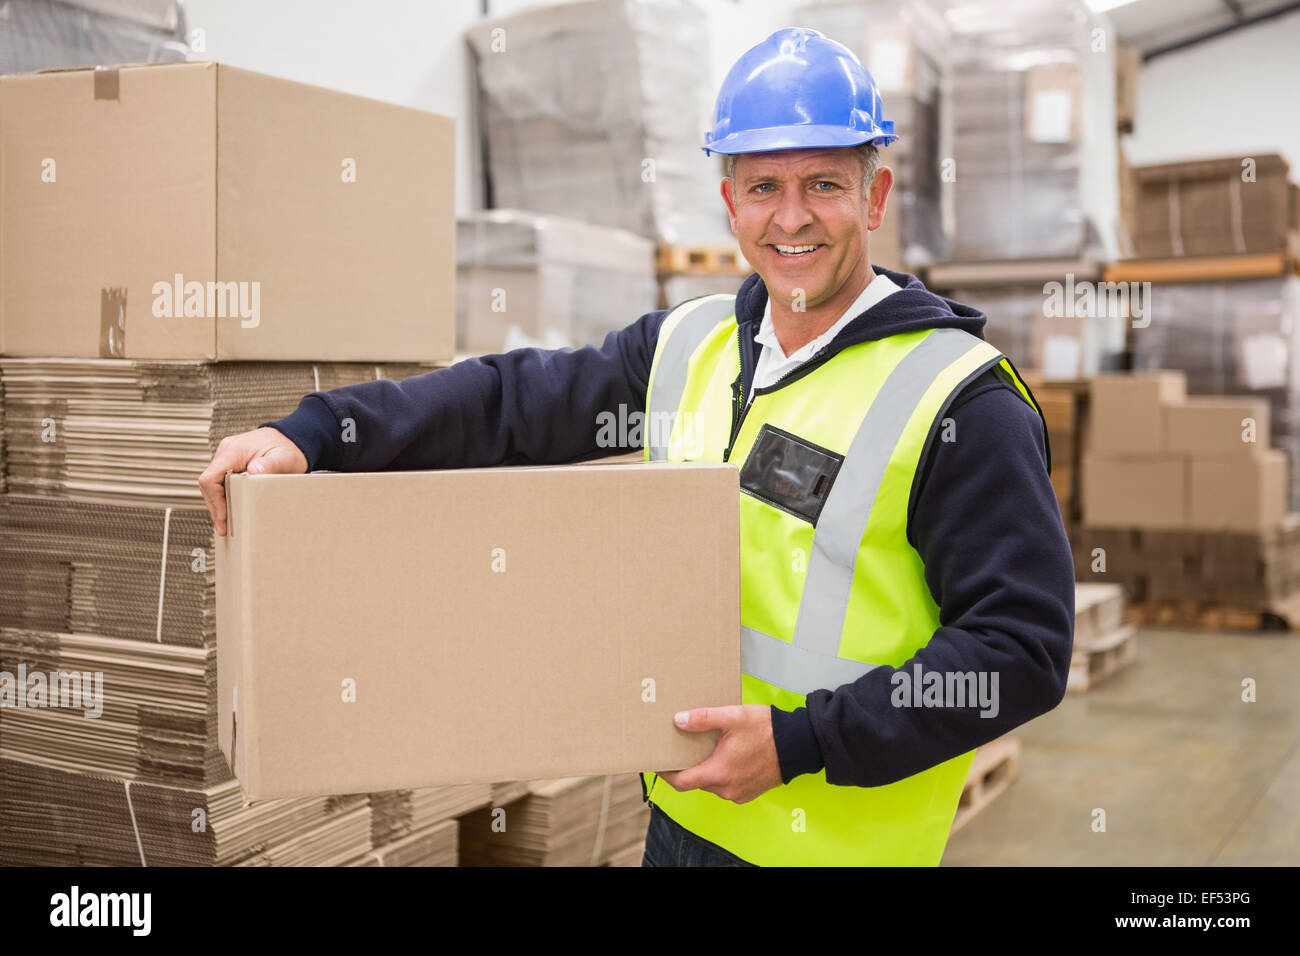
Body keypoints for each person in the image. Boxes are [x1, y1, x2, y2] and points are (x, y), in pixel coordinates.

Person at [198, 27, 1074, 867]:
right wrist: (317, 433)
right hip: (681, 821)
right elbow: (510, 399)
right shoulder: (689, 344)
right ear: (729, 201)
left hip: (834, 847)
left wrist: (801, 742)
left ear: (875, 197)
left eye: (825, 184)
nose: (792, 217)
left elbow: (1019, 651)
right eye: (764, 188)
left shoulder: (960, 399)